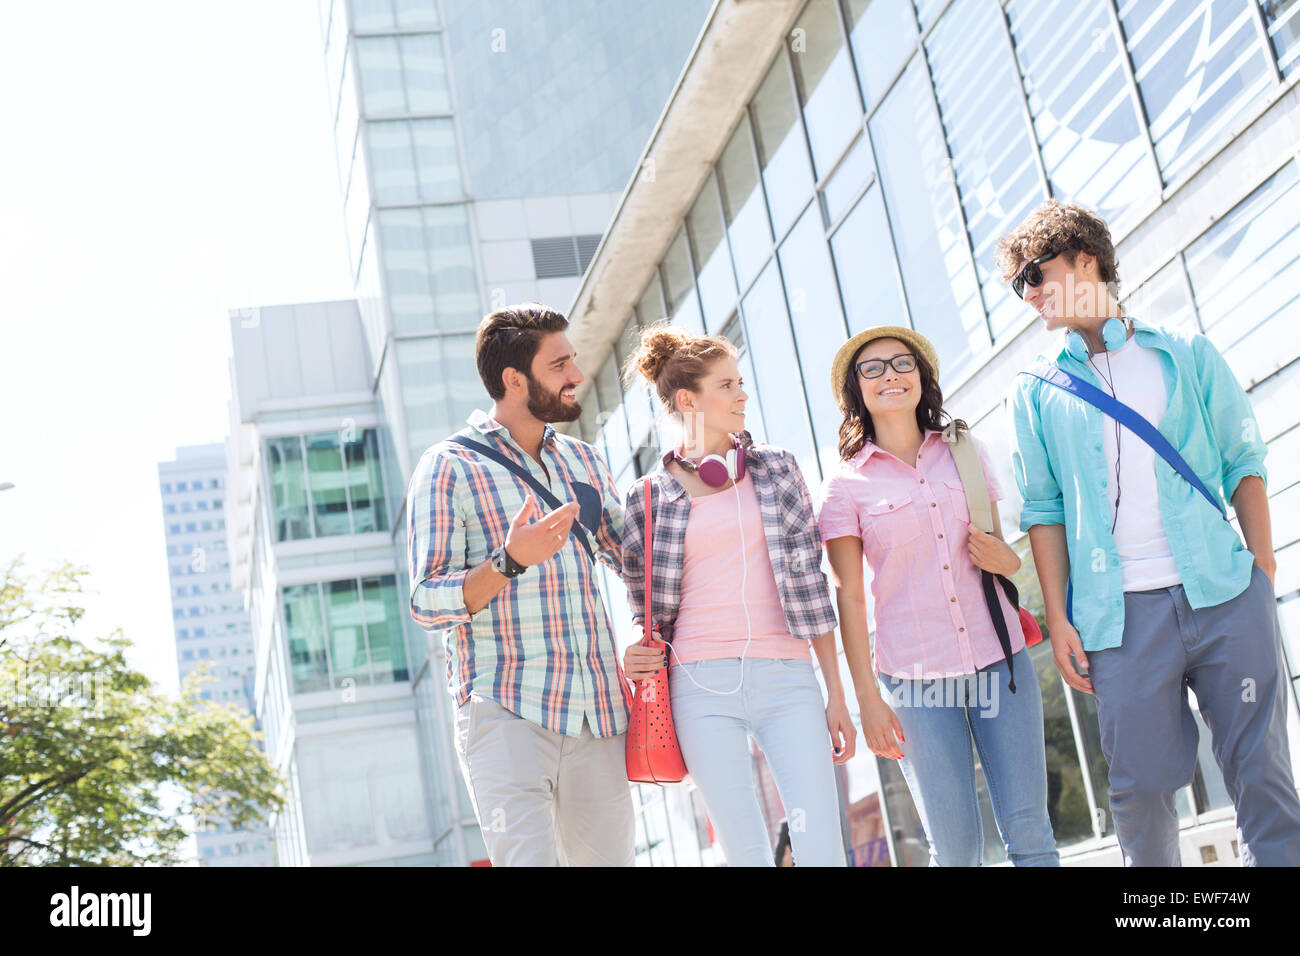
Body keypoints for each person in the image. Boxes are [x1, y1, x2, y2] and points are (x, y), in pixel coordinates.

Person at [1000, 198, 1300, 866]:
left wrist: (1263, 567)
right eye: (1017, 283)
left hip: (1225, 595)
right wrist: (1059, 614)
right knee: (1140, 789)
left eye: (1033, 275)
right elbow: (1042, 509)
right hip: (1121, 618)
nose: (1026, 295)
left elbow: (1242, 461)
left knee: (1263, 772)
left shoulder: (1185, 352)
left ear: (1085, 260)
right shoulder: (1035, 390)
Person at [819, 325, 1059, 867]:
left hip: (1000, 660)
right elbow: (850, 601)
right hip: (915, 681)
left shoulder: (965, 452)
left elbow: (999, 548)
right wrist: (868, 700)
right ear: (856, 391)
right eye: (872, 368)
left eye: (902, 363)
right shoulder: (845, 488)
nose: (890, 376)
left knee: (1030, 829)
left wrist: (1010, 559)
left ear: (922, 377)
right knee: (955, 849)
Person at [406, 302, 634, 867]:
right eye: (559, 365)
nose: (576, 376)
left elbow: (638, 560)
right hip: (507, 709)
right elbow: (426, 601)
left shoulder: (585, 460)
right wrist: (509, 561)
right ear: (514, 379)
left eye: (572, 361)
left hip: (599, 712)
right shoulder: (448, 465)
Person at [620, 326, 853, 867]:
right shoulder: (647, 499)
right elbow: (645, 609)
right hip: (700, 687)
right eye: (726, 385)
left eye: (741, 383)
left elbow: (811, 584)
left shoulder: (778, 469)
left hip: (788, 677)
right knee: (744, 852)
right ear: (687, 400)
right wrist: (636, 643)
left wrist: (835, 693)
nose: (743, 395)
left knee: (820, 843)